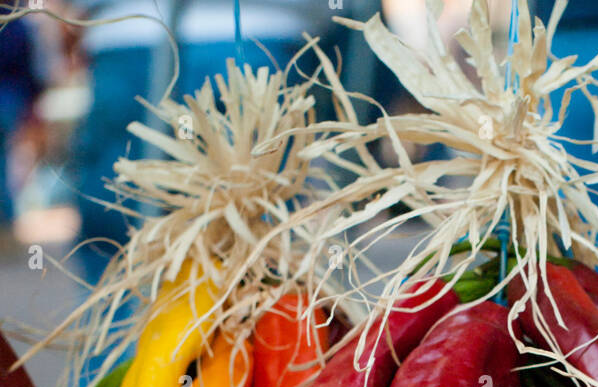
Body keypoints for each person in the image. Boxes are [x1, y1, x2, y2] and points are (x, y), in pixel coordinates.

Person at [72, 1, 385, 285]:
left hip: (134, 30)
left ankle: (127, 332)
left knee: (128, 211)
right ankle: (254, 335)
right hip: (257, 27)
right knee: (258, 216)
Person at [0, 10, 43, 238]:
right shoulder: (19, 26)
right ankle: (6, 226)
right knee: (5, 164)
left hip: (9, 100)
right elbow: (31, 70)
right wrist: (33, 103)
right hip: (11, 101)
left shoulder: (18, 26)